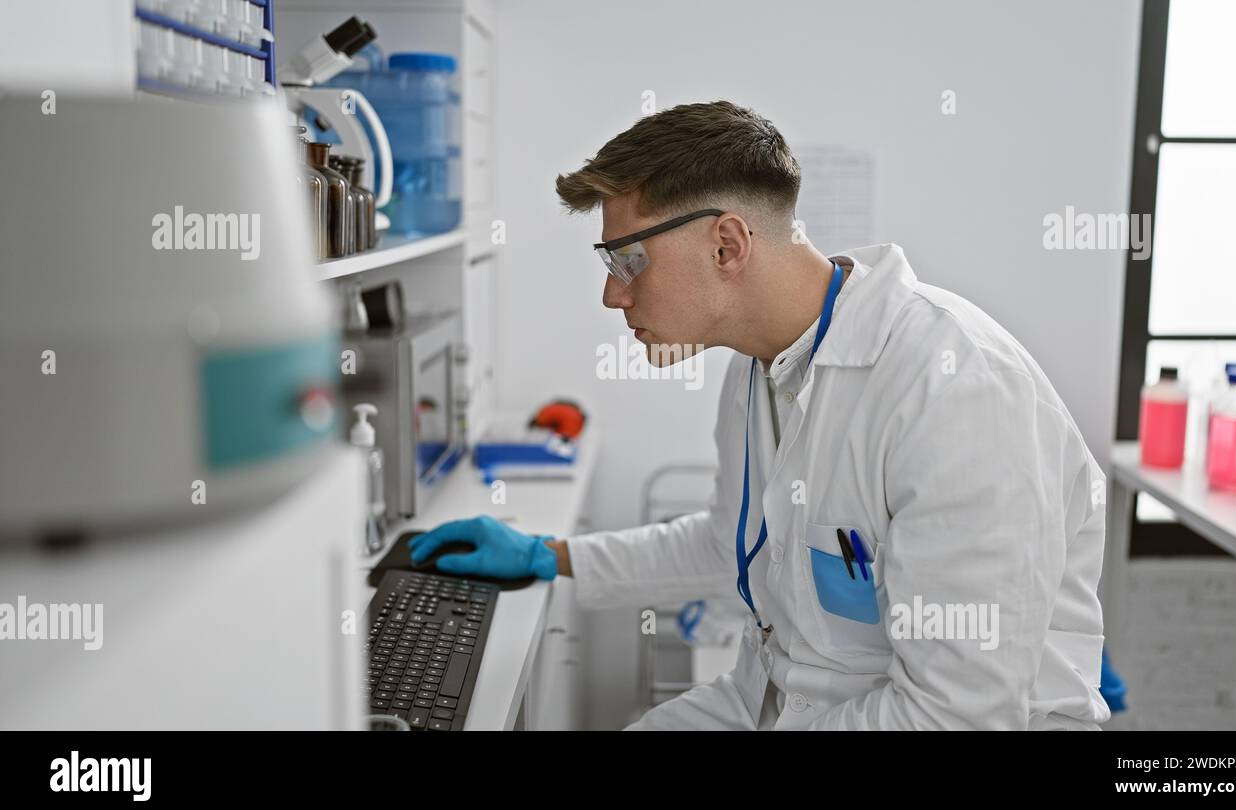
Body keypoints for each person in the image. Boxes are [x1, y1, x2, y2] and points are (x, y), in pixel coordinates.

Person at [410, 101, 1112, 730]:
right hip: (777, 700)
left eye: (628, 262)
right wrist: (546, 555)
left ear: (728, 245)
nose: (612, 297)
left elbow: (955, 715)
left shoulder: (955, 392)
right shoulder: (760, 365)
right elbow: (730, 544)